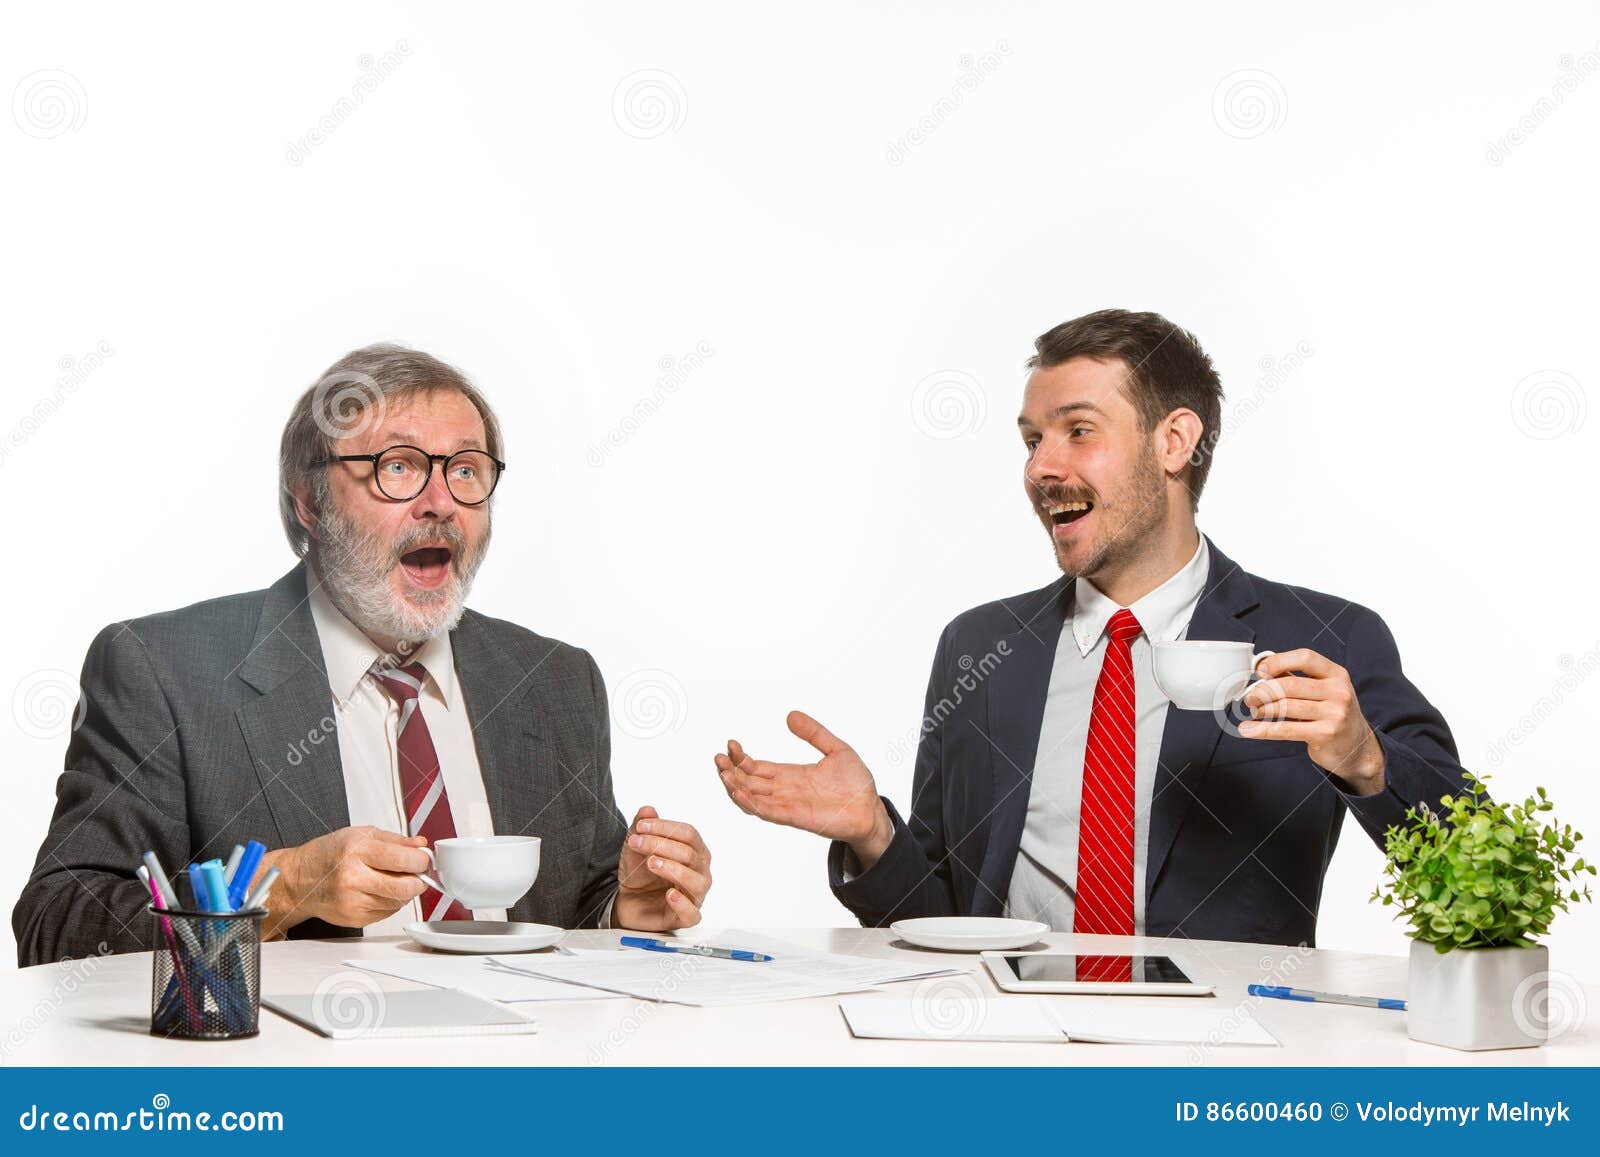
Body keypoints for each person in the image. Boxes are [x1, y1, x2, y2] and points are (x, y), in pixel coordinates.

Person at [716, 309, 1471, 947]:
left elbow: (1480, 873)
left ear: (1174, 441)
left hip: (1218, 1069)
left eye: (1078, 430)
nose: (1042, 467)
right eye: (1031, 439)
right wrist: (873, 833)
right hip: (1009, 1060)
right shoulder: (979, 648)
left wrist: (1367, 762)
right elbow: (943, 928)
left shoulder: (1326, 637)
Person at [14, 344, 711, 965]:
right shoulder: (162, 670)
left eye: (466, 470)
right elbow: (57, 927)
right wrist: (281, 889)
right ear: (310, 503)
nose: (441, 501)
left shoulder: (557, 681)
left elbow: (571, 917)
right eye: (398, 466)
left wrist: (624, 909)